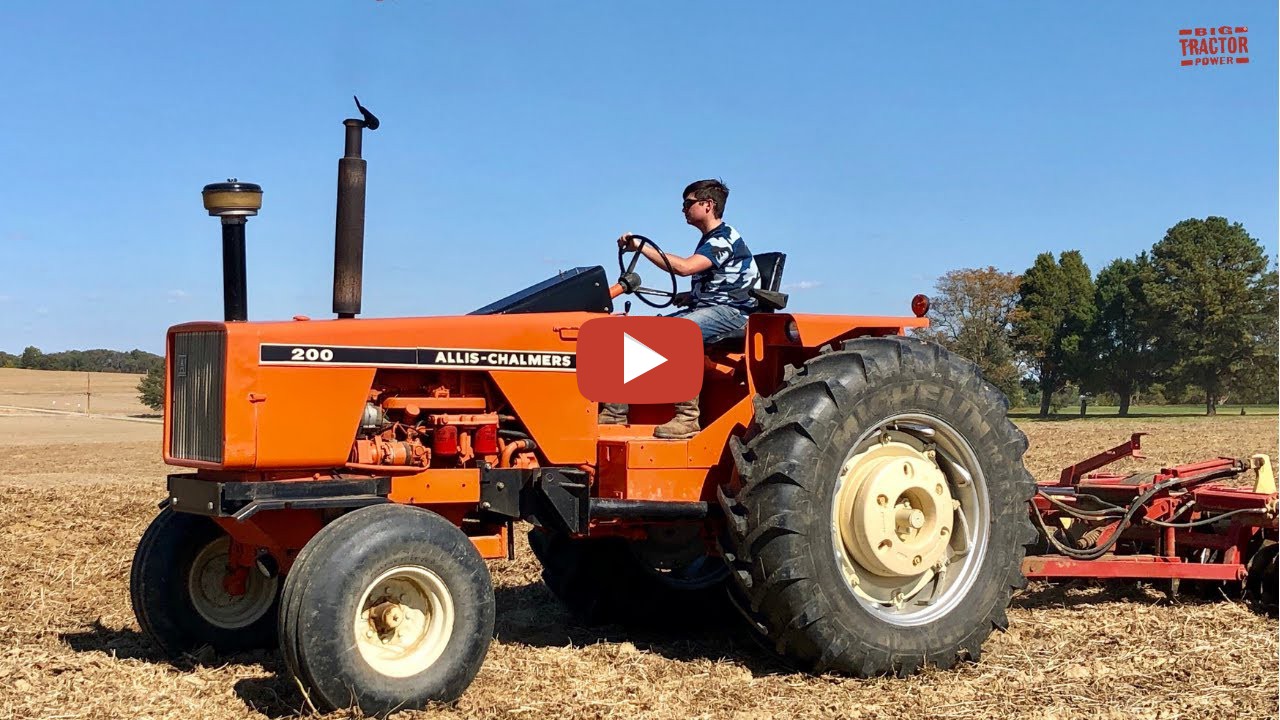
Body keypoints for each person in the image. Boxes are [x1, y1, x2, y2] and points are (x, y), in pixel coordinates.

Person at [601, 178, 759, 439]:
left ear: (707, 205)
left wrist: (643, 248)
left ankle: (687, 419)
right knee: (631, 334)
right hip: (713, 306)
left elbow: (685, 268)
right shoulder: (709, 240)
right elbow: (718, 281)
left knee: (679, 333)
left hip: (733, 313)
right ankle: (614, 413)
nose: (683, 210)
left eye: (688, 203)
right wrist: (689, 297)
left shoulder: (725, 238)